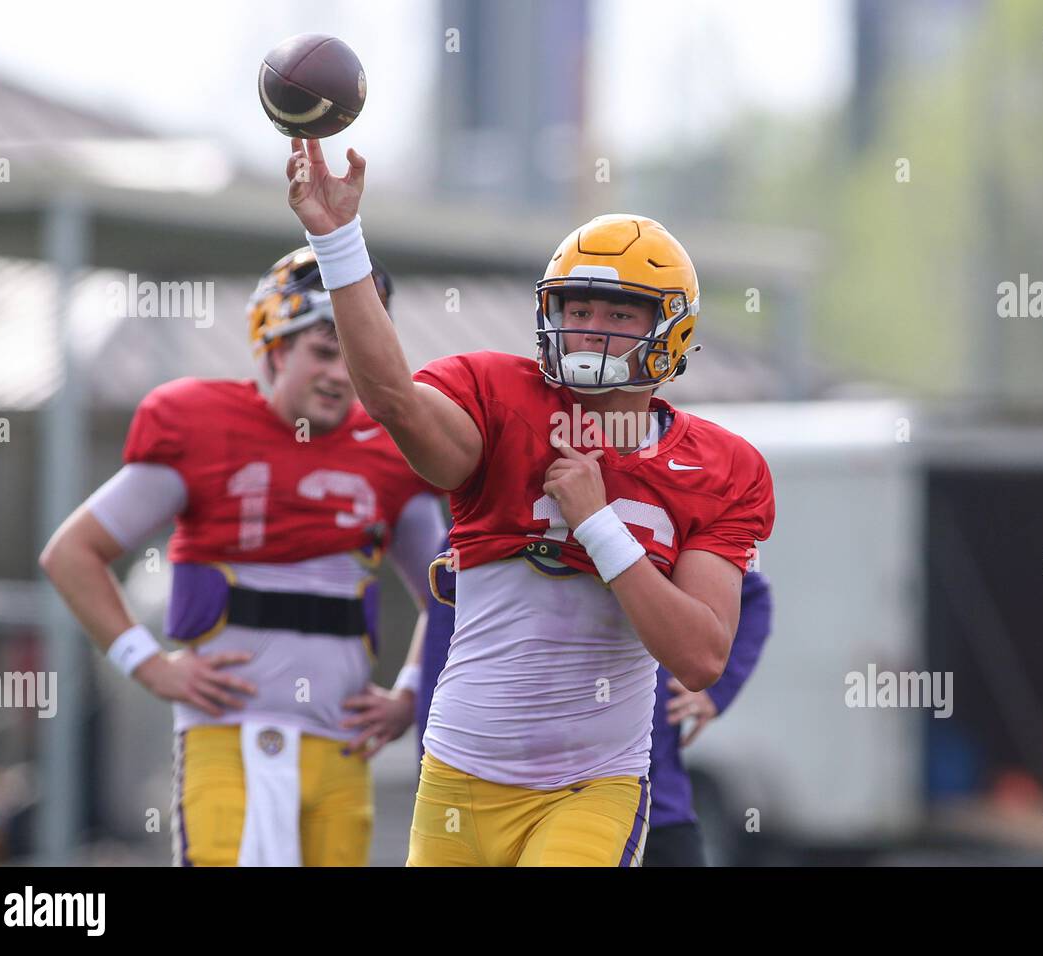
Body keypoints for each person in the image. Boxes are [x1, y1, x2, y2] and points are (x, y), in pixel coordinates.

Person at [285, 136, 775, 866]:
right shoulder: (498, 395)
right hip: (459, 773)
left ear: (671, 330)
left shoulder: (719, 465)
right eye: (579, 309)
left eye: (619, 315)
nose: (591, 329)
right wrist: (338, 242)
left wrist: (601, 528)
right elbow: (394, 401)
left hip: (592, 785)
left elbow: (701, 654)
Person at [39, 249, 445, 866]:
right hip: (229, 739)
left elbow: (447, 590)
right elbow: (71, 554)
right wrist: (149, 665)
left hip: (342, 748)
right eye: (323, 350)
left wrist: (411, 691)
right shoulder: (203, 425)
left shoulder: (390, 449)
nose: (341, 374)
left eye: (354, 355)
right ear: (275, 347)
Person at [417, 543, 774, 866]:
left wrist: (716, 688)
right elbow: (443, 636)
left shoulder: (655, 509)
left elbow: (750, 590)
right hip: (486, 794)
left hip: (648, 795)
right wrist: (421, 715)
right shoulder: (493, 509)